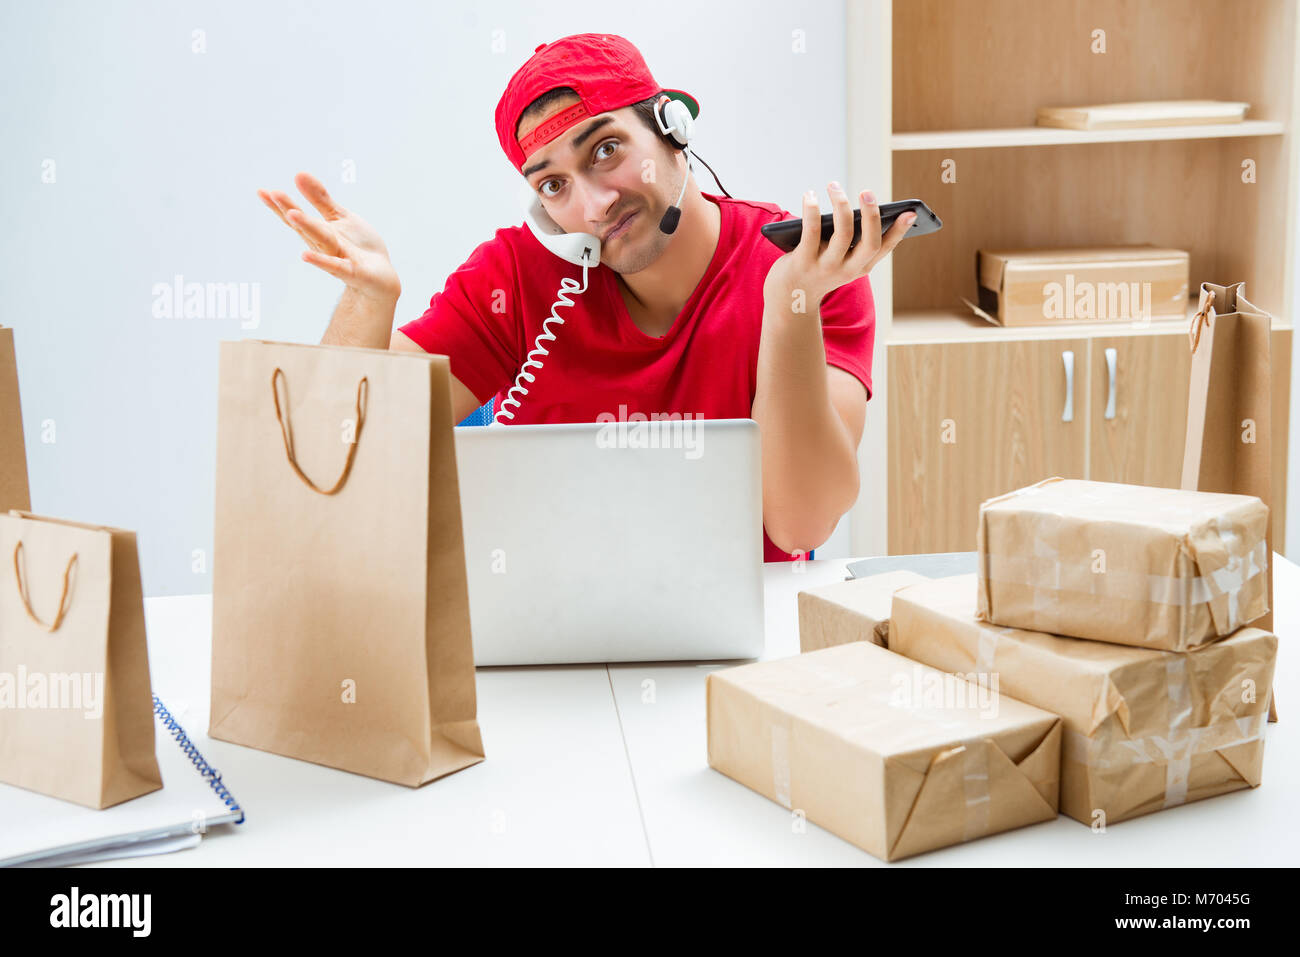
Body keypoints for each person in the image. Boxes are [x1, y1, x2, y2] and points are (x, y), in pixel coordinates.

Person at [256, 33, 914, 562]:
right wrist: (366, 302)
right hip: (549, 636)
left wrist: (790, 304)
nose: (593, 205)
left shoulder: (810, 270)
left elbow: (800, 523)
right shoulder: (517, 275)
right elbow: (330, 453)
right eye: (553, 185)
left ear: (673, 129)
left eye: (605, 149)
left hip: (748, 647)